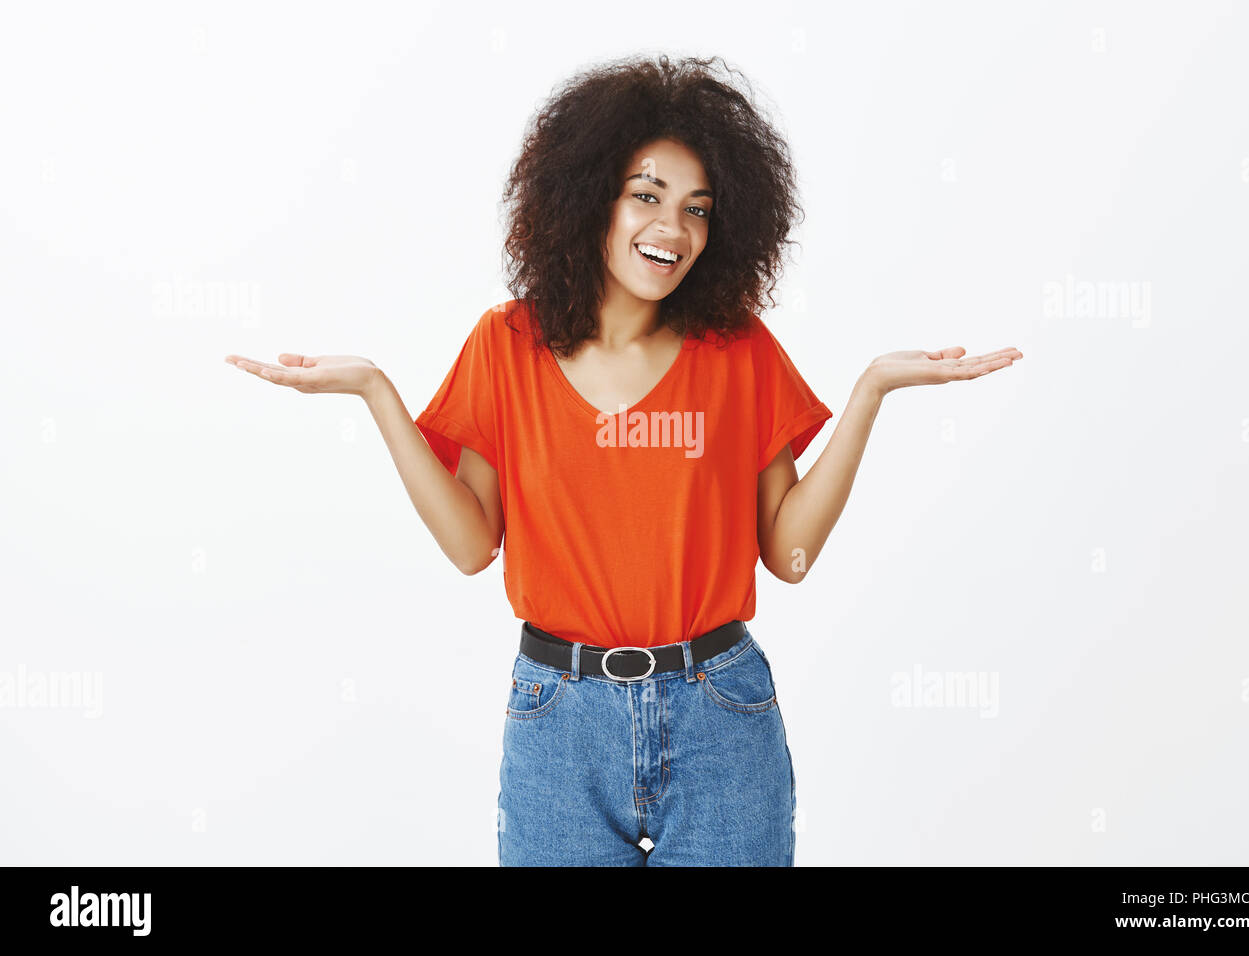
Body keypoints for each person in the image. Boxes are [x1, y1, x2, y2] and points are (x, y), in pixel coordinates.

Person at [224, 54, 1022, 866]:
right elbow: (472, 547)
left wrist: (871, 392)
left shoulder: (737, 351)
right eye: (647, 196)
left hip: (721, 715)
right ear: (588, 199)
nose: (672, 230)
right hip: (558, 721)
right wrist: (376, 393)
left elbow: (788, 554)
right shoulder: (505, 346)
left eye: (697, 209)